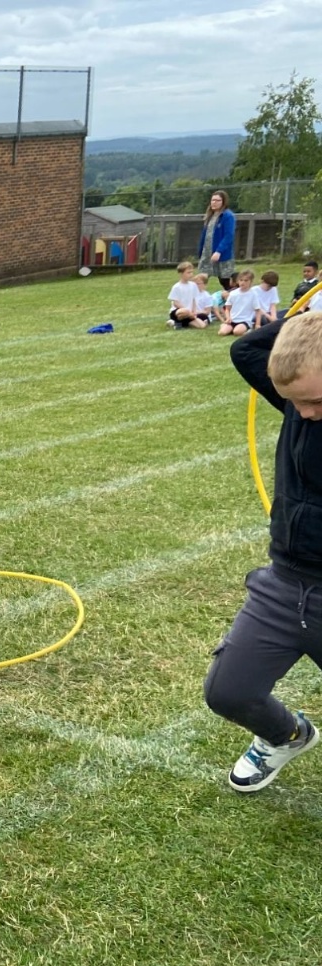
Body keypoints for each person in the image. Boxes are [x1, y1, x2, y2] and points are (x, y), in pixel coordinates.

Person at [205, 309, 322, 791]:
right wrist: (310, 322)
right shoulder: (301, 399)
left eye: (314, 401)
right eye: (294, 403)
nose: (304, 413)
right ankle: (287, 736)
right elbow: (246, 349)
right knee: (228, 692)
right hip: (282, 584)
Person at [198, 190, 236, 290]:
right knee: (201, 279)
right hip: (207, 253)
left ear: (223, 202)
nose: (214, 202)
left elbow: (229, 236)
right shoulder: (210, 215)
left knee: (225, 280)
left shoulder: (228, 216)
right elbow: (206, 235)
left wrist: (219, 251)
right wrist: (201, 251)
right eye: (212, 200)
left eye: (217, 200)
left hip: (221, 254)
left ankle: (232, 299)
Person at [217, 270, 258, 337]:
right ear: (238, 281)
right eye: (241, 280)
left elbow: (257, 310)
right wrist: (228, 318)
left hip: (245, 320)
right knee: (222, 333)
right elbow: (227, 309)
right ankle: (226, 327)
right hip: (233, 319)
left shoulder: (253, 294)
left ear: (251, 282)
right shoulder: (233, 293)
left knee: (237, 332)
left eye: (246, 280)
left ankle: (248, 330)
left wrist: (257, 324)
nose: (243, 282)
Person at [167, 261, 205, 329]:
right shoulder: (176, 287)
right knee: (184, 312)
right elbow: (176, 303)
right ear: (181, 273)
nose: (191, 274)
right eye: (188, 272)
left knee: (202, 326)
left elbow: (194, 300)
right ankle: (175, 319)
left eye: (192, 272)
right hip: (178, 311)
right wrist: (187, 311)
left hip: (189, 313)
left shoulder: (193, 285)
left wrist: (194, 311)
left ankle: (176, 323)